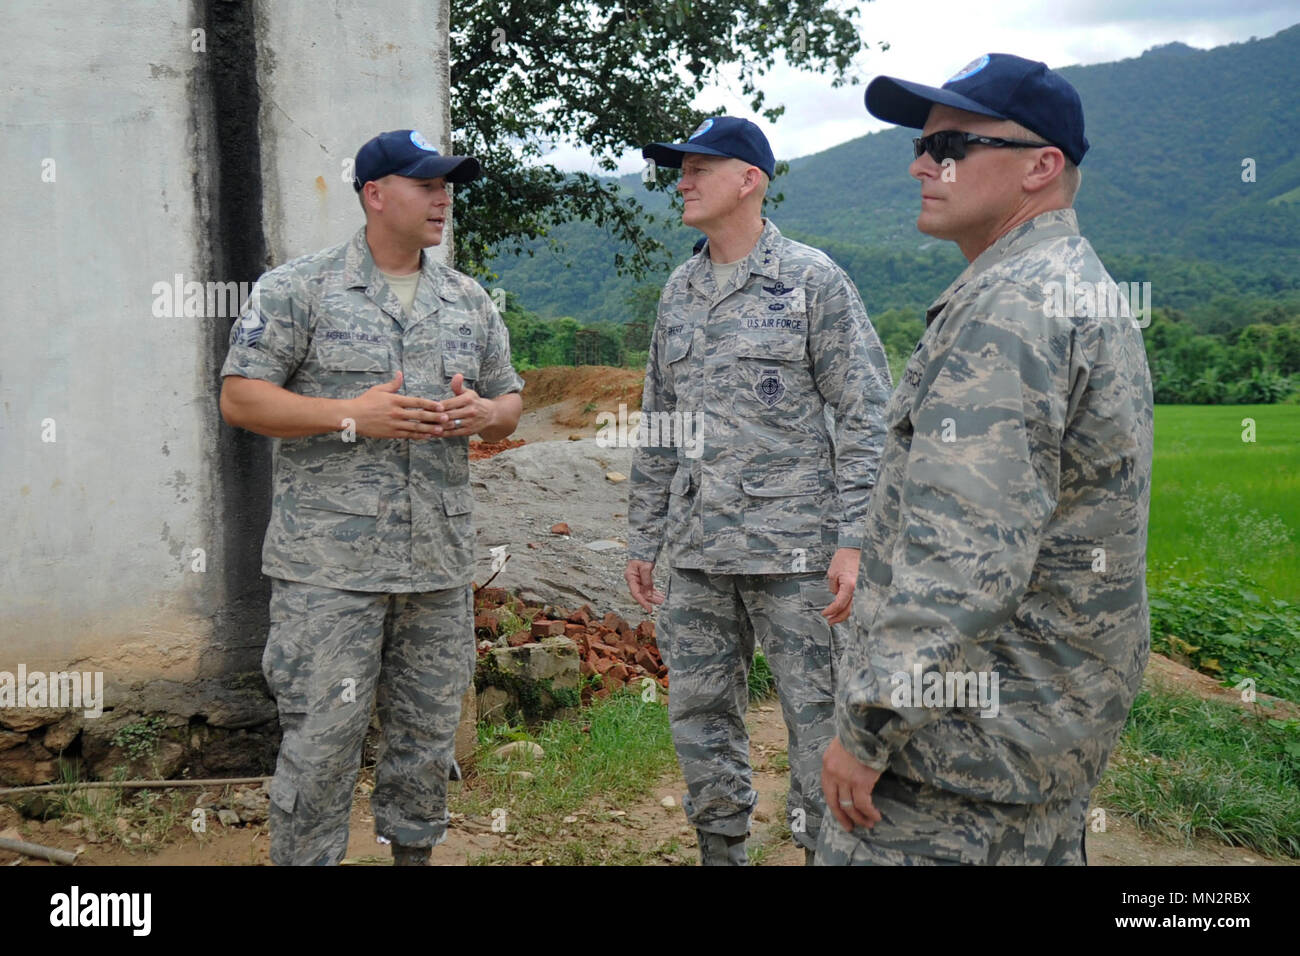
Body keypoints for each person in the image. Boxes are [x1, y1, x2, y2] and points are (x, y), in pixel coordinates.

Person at [819, 54, 1154, 865]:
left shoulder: (1012, 307)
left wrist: (870, 726)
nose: (922, 165)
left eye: (954, 146)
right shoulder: (1060, 284)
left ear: (1042, 167)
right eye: (924, 145)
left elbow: (967, 557)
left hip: (958, 752)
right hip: (1032, 727)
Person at [219, 129, 524, 866]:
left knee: (424, 746)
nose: (443, 197)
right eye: (427, 184)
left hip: (436, 568)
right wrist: (351, 413)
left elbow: (511, 400)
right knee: (323, 747)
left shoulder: (468, 300)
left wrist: (484, 415)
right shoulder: (299, 289)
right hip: (331, 572)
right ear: (375, 193)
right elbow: (240, 397)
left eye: (449, 184)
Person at [627, 116, 892, 865]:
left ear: (750, 179)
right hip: (696, 555)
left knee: (819, 726)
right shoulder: (677, 293)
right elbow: (657, 427)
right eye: (678, 169)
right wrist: (644, 538)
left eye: (698, 167)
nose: (681, 180)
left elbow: (867, 415)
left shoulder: (813, 281)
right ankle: (722, 851)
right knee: (701, 716)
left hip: (798, 556)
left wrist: (854, 540)